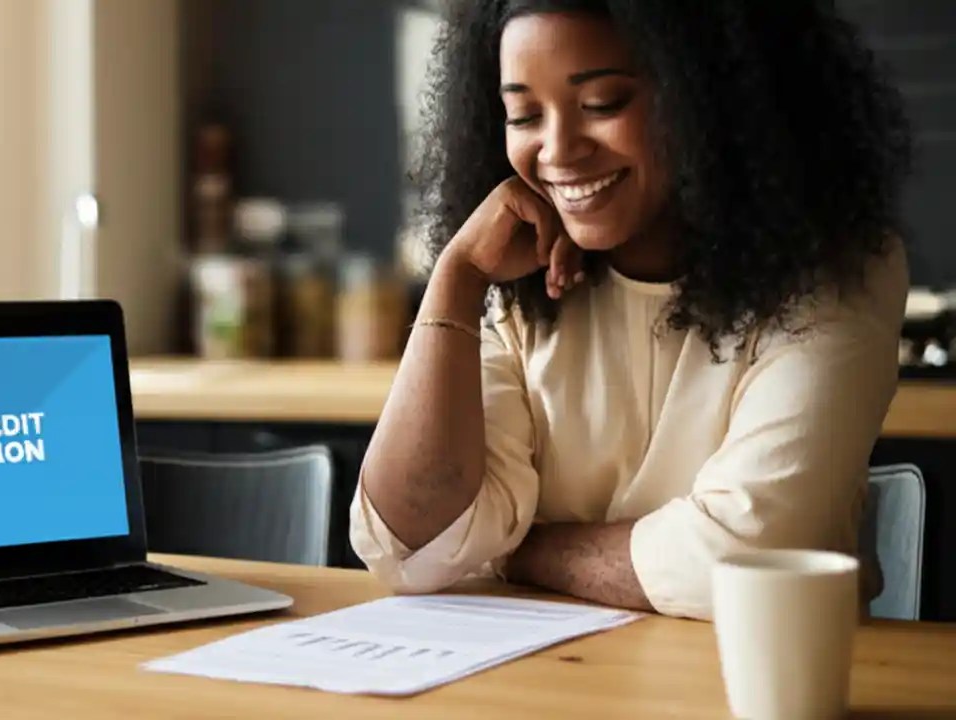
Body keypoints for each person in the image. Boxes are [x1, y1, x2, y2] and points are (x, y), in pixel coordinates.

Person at [350, 0, 912, 621]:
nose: (558, 151)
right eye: (525, 114)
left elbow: (745, 558)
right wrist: (456, 279)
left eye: (603, 104)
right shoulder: (519, 286)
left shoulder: (834, 273)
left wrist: (522, 552)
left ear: (709, 97)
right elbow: (412, 550)